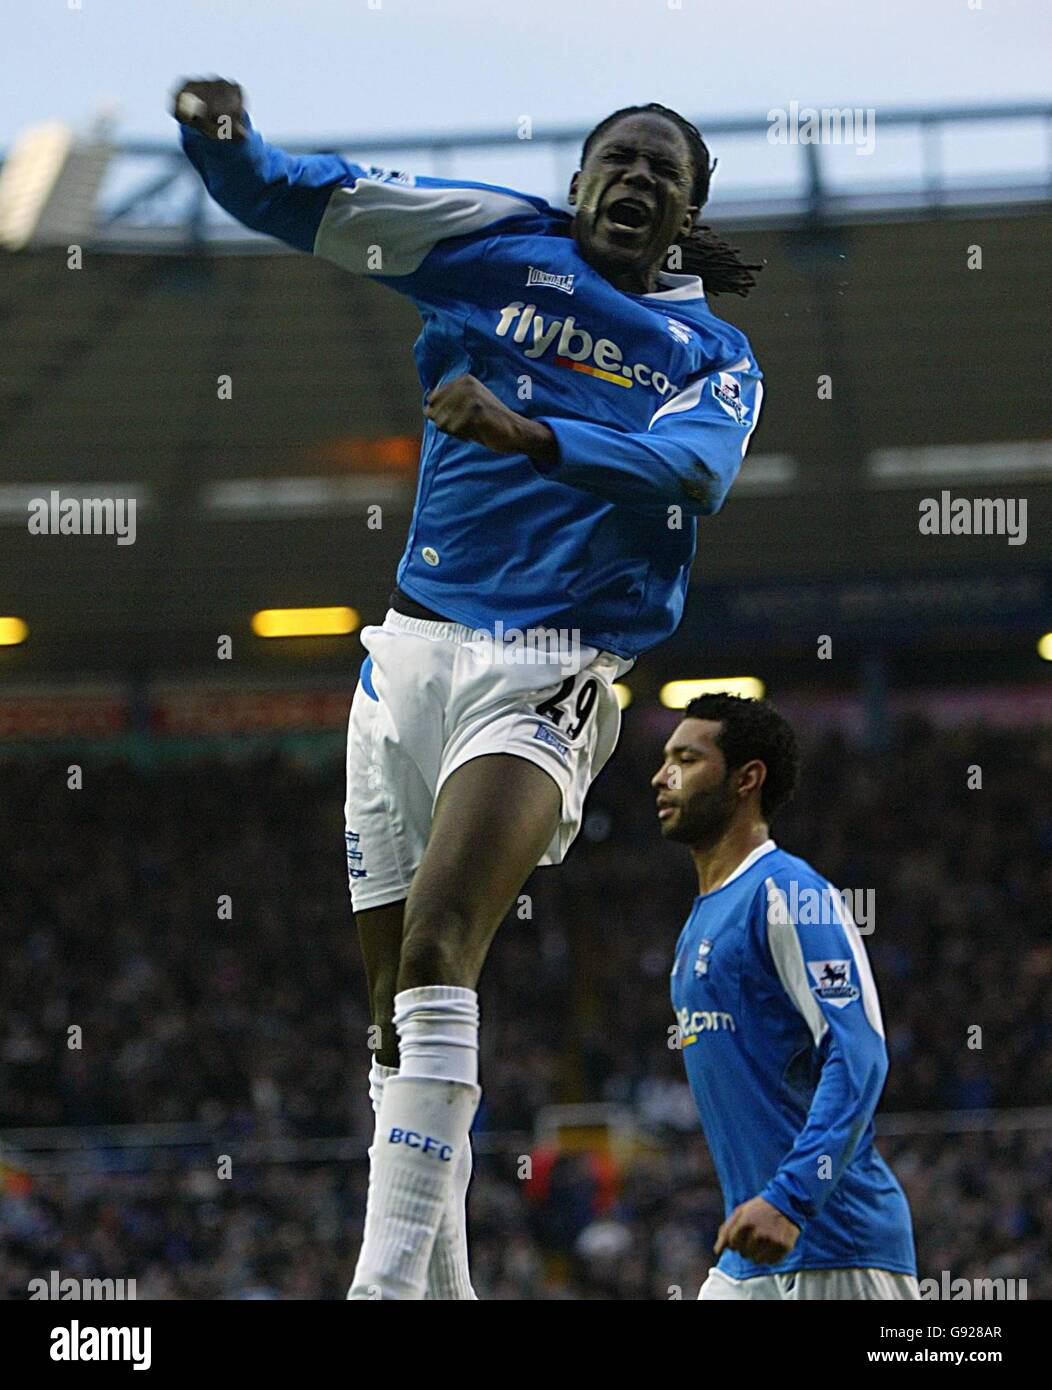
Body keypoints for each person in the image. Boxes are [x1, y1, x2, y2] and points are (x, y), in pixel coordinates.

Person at [173, 78, 765, 1299]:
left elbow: (691, 474)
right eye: (620, 158)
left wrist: (533, 435)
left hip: (550, 665)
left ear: (687, 210)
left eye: (664, 170)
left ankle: (380, 1290)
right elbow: (312, 198)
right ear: (580, 179)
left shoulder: (710, 354)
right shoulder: (491, 243)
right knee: (390, 1014)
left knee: (441, 947)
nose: (637, 179)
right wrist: (223, 142)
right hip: (405, 655)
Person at [652, 693, 919, 1299]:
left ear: (747, 779)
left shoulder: (791, 894)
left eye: (687, 759)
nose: (661, 776)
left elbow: (860, 1054)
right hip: (751, 1258)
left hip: (835, 1248)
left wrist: (790, 1198)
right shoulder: (702, 918)